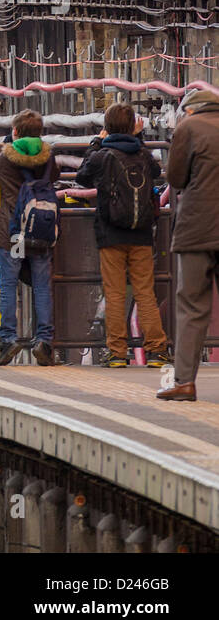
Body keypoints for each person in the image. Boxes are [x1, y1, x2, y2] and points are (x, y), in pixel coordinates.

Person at [75, 102, 170, 368]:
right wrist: (137, 138)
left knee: (115, 294)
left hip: (110, 232)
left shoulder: (102, 156)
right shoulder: (141, 154)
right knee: (145, 293)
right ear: (132, 126)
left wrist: (97, 141)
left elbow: (82, 177)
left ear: (108, 127)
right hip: (141, 233)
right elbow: (154, 172)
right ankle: (156, 350)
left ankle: (116, 353)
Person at [0, 109, 59, 366]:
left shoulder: (6, 157)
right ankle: (44, 340)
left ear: (15, 132)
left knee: (9, 284)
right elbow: (54, 177)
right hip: (42, 232)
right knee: (43, 285)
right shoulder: (48, 156)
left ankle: (9, 339)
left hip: (15, 234)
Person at [158, 87, 219, 401]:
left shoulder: (189, 128)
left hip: (197, 229)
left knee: (192, 306)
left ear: (190, 110)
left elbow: (177, 178)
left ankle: (184, 382)